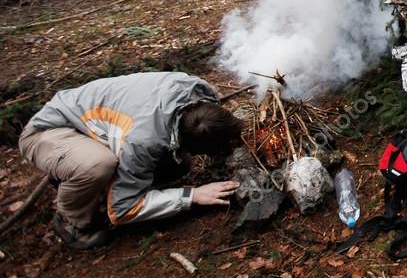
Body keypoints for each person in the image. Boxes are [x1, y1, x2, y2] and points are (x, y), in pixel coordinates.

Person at [19, 71, 243, 249]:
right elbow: (123, 209)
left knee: (178, 166)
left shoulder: (198, 89)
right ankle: (72, 222)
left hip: (94, 124)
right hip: (49, 132)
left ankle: (87, 181)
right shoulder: (142, 141)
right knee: (98, 166)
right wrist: (192, 195)